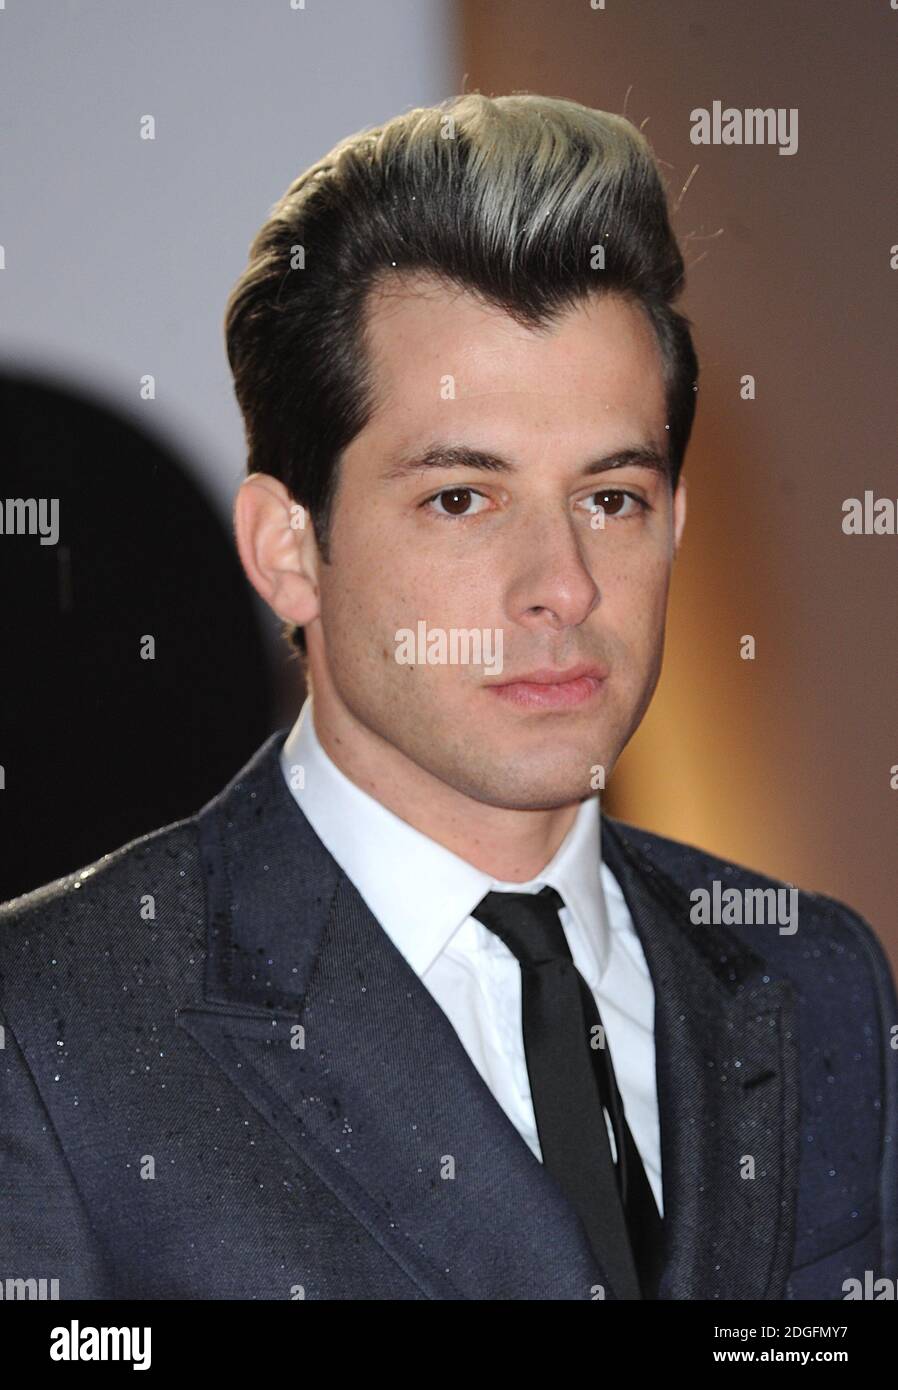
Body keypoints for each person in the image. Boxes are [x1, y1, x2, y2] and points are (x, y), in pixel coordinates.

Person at [1, 93, 894, 1301]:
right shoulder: (52, 1031)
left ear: (677, 522)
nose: (563, 585)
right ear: (286, 548)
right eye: (463, 498)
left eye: (612, 496)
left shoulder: (816, 979)